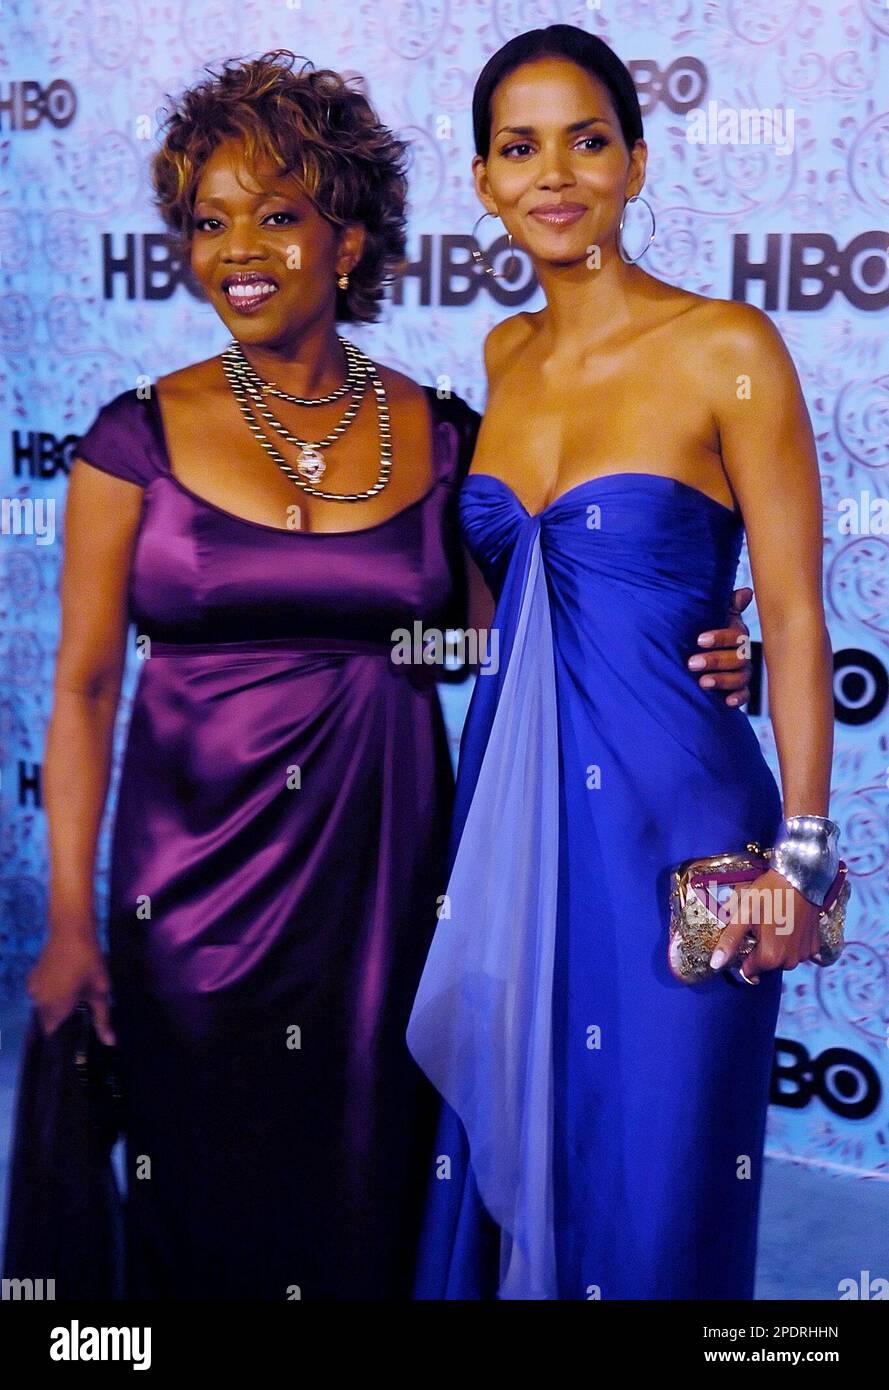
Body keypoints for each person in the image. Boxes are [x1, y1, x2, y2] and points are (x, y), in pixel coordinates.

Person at [20, 49, 754, 1301]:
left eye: (276, 212)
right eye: (207, 219)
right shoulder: (127, 438)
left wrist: (709, 637)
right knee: (196, 1181)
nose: (235, 247)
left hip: (393, 884)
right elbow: (86, 691)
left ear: (348, 240)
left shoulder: (450, 429)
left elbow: (502, 636)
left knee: (379, 1179)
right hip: (187, 892)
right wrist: (74, 920)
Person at [407, 26, 839, 1301]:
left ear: (637, 164)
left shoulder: (728, 347)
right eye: (518, 147)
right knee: (518, 1163)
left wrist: (802, 862)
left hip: (680, 829)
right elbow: (514, 607)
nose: (554, 174)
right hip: (513, 832)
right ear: (483, 181)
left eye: (586, 140)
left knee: (659, 1198)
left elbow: (799, 616)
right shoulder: (500, 359)